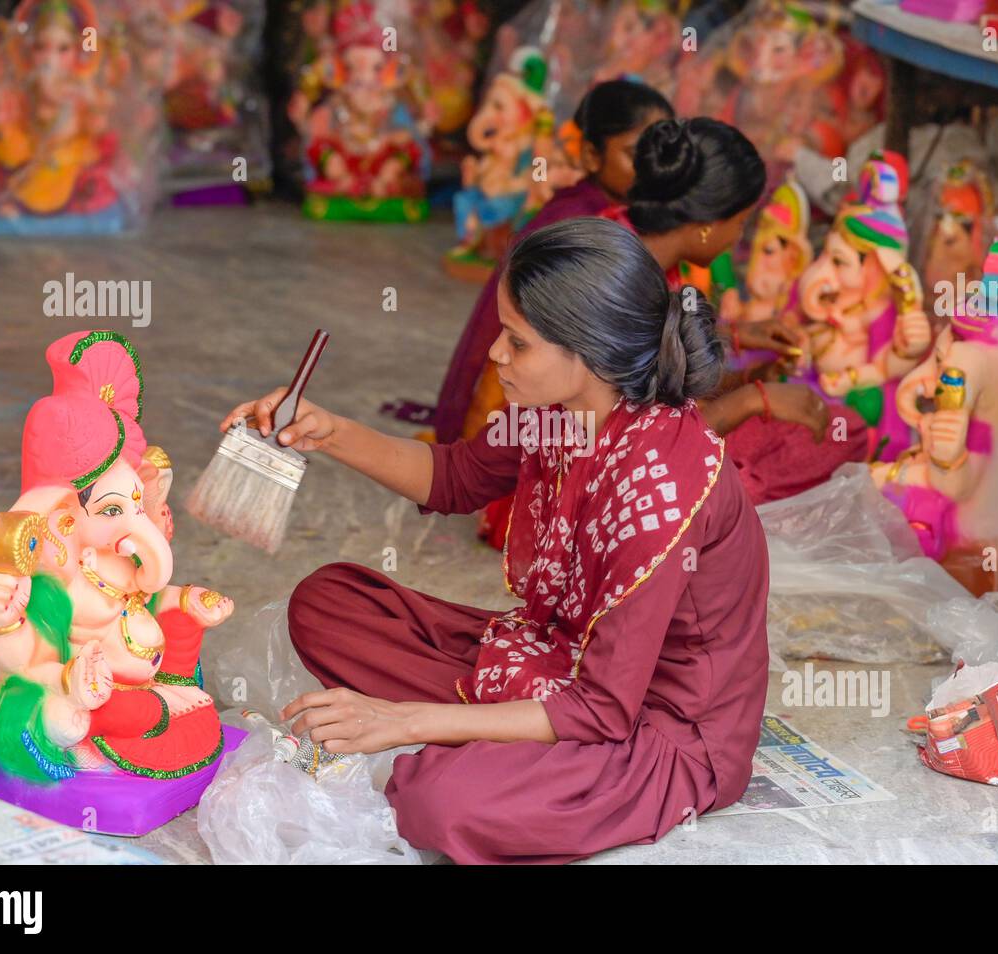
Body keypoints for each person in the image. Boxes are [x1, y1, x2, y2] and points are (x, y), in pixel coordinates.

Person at [224, 218, 769, 864]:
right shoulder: (561, 413)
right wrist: (328, 432)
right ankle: (496, 744)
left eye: (518, 342)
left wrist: (402, 722)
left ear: (588, 354)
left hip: (659, 730)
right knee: (327, 604)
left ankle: (486, 754)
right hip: (557, 657)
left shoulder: (660, 485)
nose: (495, 355)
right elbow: (456, 478)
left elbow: (600, 710)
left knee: (435, 802)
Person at [602, 117, 870, 504]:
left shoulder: (638, 248)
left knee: (842, 427)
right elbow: (635, 433)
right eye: (741, 223)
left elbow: (667, 377)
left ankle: (729, 493)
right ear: (707, 225)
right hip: (621, 473)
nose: (739, 238)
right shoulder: (618, 281)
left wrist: (742, 363)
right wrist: (750, 400)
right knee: (819, 435)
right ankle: (723, 500)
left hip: (656, 443)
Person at [429, 79, 674, 445]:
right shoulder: (579, 217)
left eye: (660, 152)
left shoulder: (617, 211)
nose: (651, 167)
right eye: (634, 153)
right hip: (519, 390)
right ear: (591, 156)